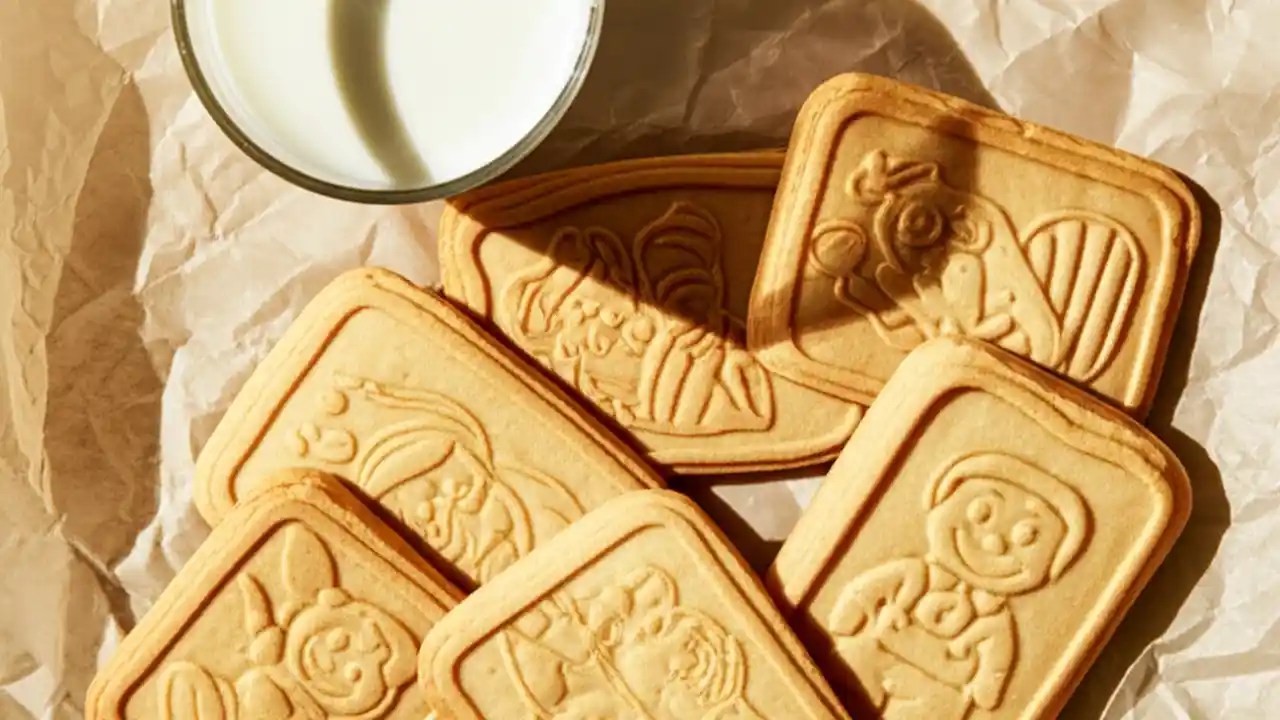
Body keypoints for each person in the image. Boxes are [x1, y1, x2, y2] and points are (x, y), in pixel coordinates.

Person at [827, 452, 1090, 718]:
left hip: (937, 684)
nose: (993, 542)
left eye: (1027, 536)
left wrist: (986, 686)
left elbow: (994, 667)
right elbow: (865, 592)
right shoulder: (915, 575)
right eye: (982, 512)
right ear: (943, 499)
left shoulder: (991, 620)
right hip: (878, 647)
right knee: (848, 661)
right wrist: (851, 615)